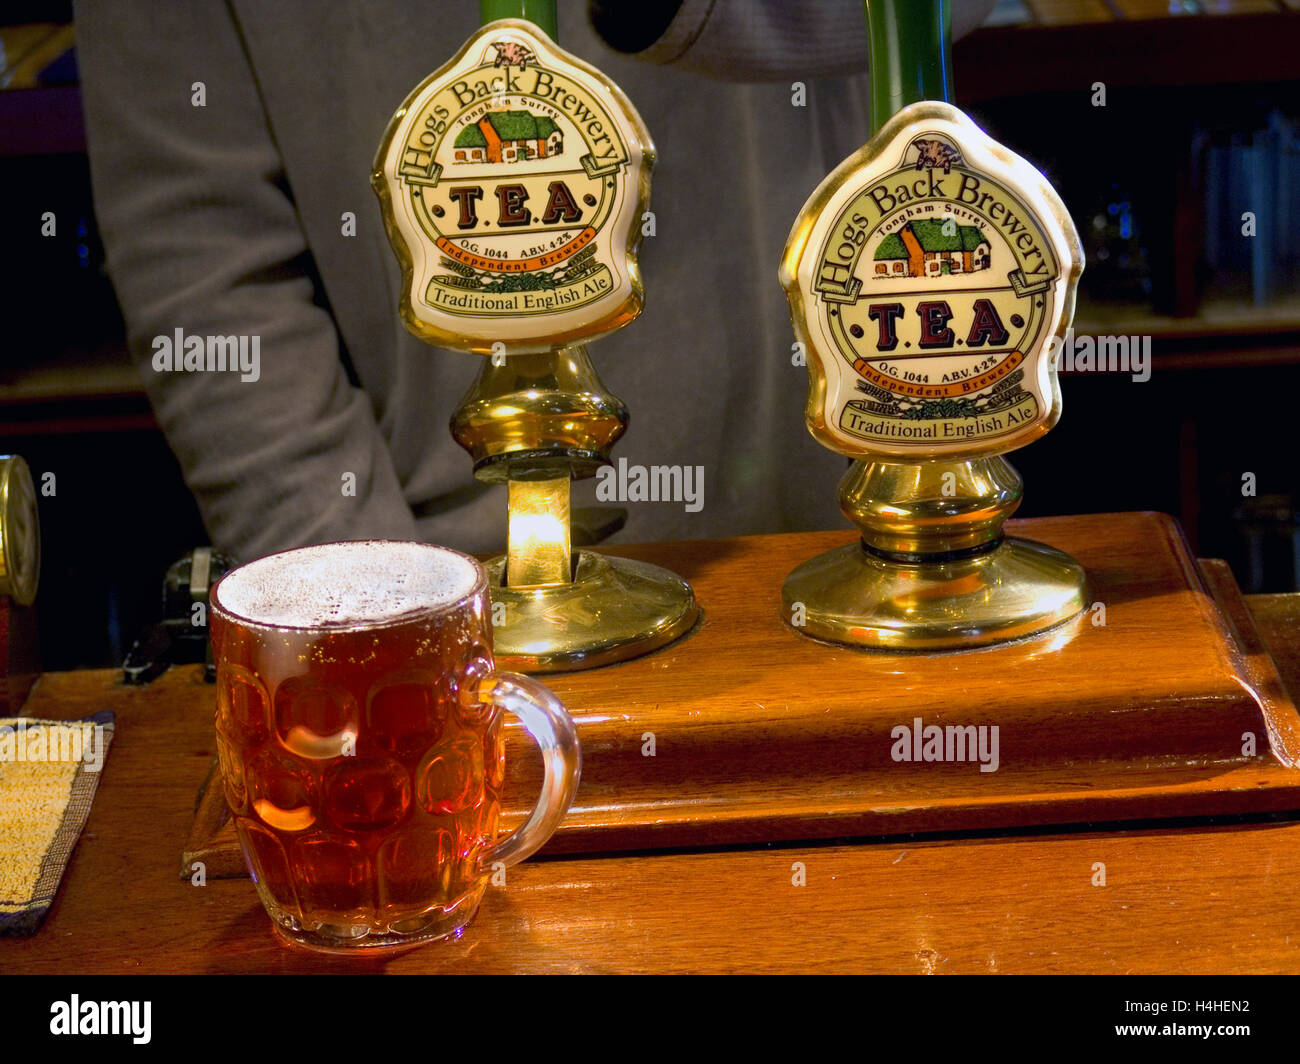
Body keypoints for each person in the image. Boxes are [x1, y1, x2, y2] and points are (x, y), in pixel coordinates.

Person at [74, 0, 995, 562]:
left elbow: (947, 9)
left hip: (865, 527)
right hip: (462, 579)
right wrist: (363, 595)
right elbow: (199, 242)